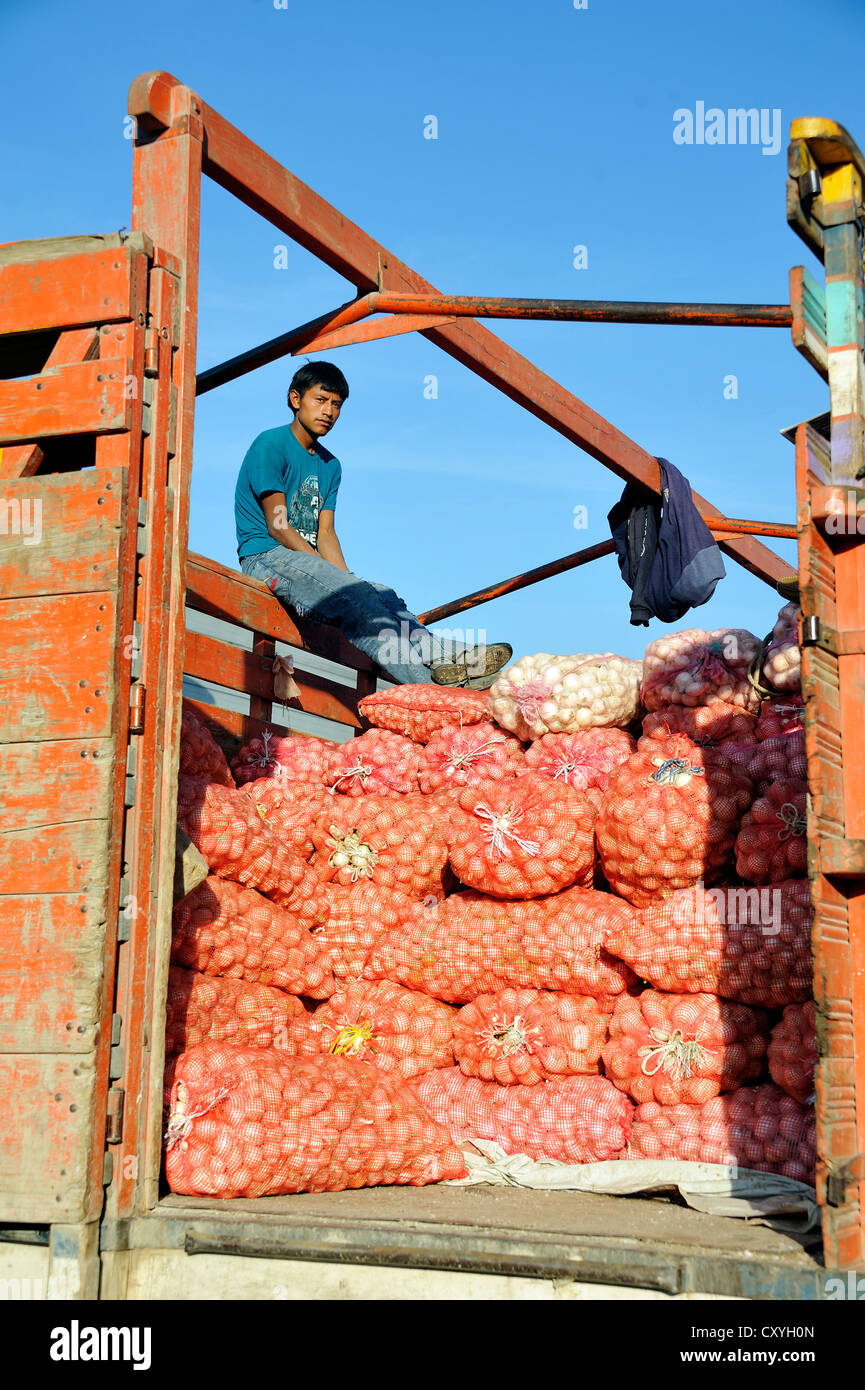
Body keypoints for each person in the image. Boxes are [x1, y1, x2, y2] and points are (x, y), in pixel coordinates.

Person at [234, 361, 512, 687]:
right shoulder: (271, 445)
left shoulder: (330, 465)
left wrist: (348, 580)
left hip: (308, 562)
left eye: (336, 405)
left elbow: (325, 533)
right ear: (296, 399)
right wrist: (340, 582)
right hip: (267, 558)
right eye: (320, 400)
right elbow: (278, 525)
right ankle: (434, 685)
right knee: (359, 601)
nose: (329, 411)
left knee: (383, 597)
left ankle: (451, 659)